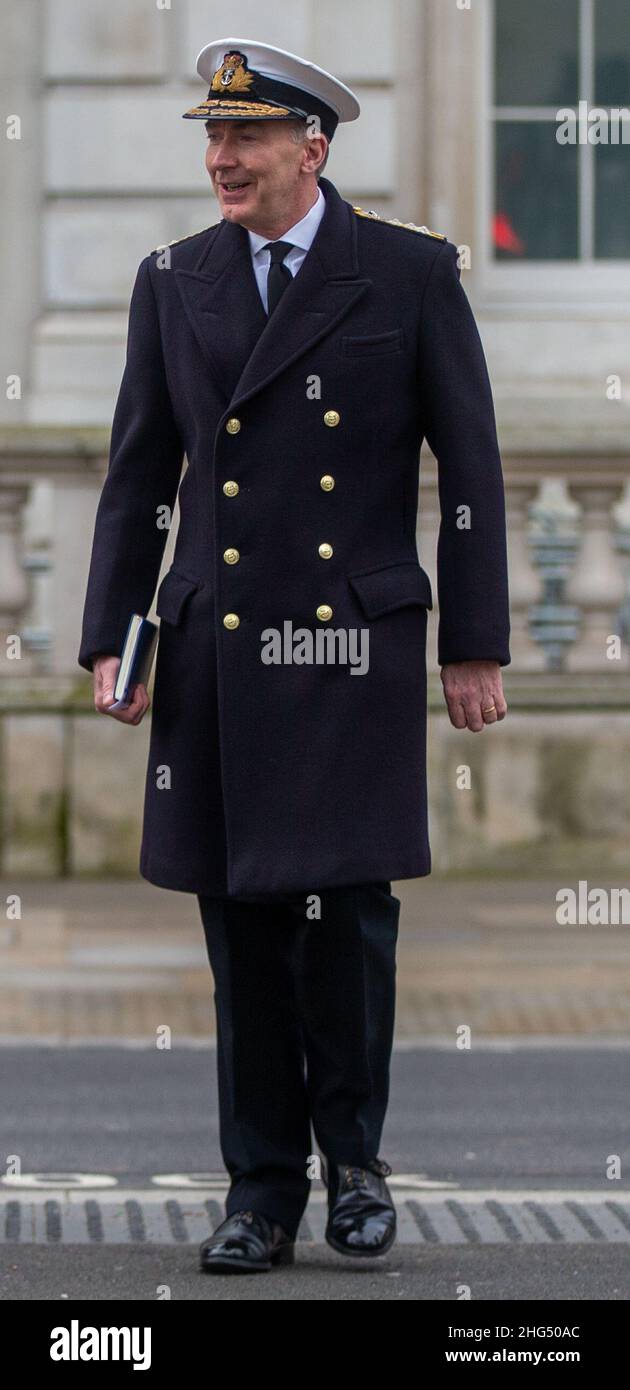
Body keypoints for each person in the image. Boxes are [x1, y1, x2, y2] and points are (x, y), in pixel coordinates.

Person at [78, 37, 510, 1274]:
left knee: (348, 923)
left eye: (246, 139)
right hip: (219, 645)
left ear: (311, 149)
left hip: (349, 645)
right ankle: (260, 1191)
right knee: (242, 929)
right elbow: (136, 474)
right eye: (212, 140)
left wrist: (474, 642)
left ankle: (357, 1167)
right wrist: (114, 631)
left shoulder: (410, 273)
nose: (222, 159)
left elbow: (470, 472)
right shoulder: (175, 279)